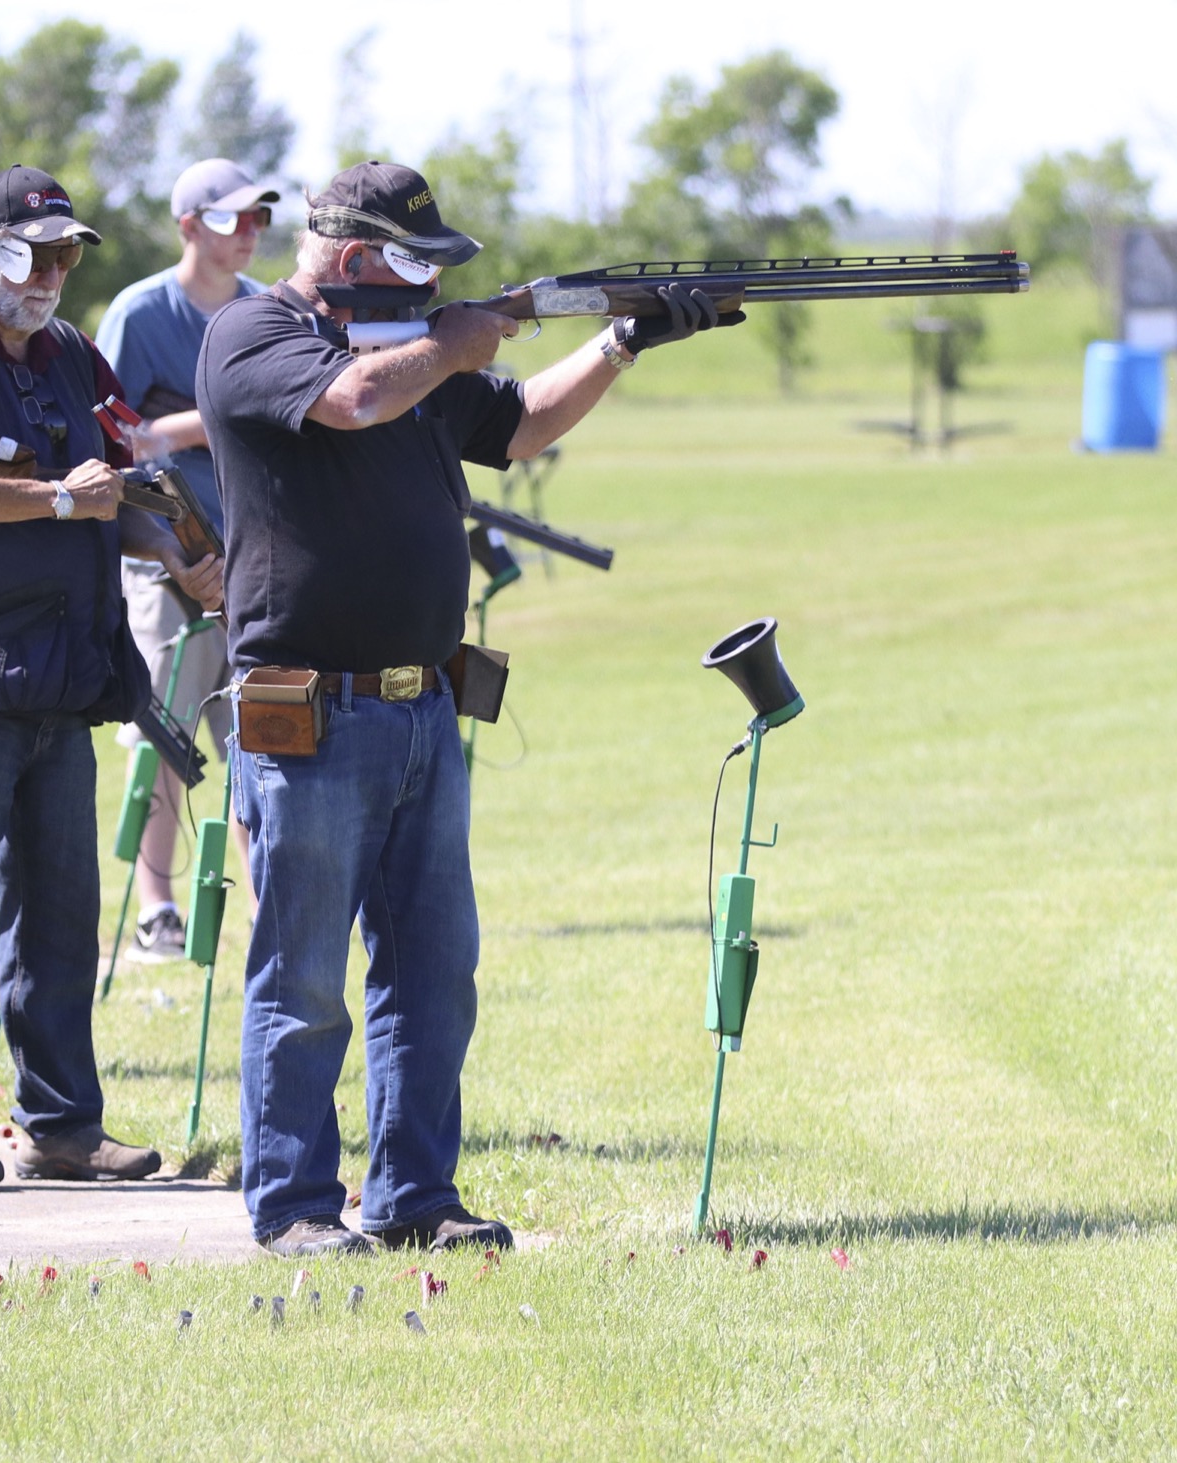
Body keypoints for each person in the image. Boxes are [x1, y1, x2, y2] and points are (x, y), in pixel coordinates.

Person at [198, 161, 740, 1256]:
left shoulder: (407, 351)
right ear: (352, 262)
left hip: (419, 710)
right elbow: (351, 400)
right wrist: (455, 334)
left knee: (431, 974)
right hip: (311, 716)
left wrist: (621, 340)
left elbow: (523, 424)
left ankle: (412, 1194)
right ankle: (296, 1206)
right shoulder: (255, 337)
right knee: (301, 981)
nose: (431, 284)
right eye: (410, 262)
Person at [0, 165, 219, 1191]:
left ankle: (61, 1125)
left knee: (60, 914)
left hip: (65, 674)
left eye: (67, 253)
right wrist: (57, 503)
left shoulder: (68, 350)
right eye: (35, 251)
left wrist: (171, 547)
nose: (55, 272)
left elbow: (121, 476)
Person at [94, 157, 276, 962]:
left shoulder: (268, 308)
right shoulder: (138, 313)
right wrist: (169, 547)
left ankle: (267, 896)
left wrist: (189, 425)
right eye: (234, 218)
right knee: (164, 726)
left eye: (258, 218)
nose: (250, 233)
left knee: (261, 728)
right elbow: (116, 439)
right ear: (189, 226)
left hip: (256, 550)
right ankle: (158, 908)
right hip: (165, 550)